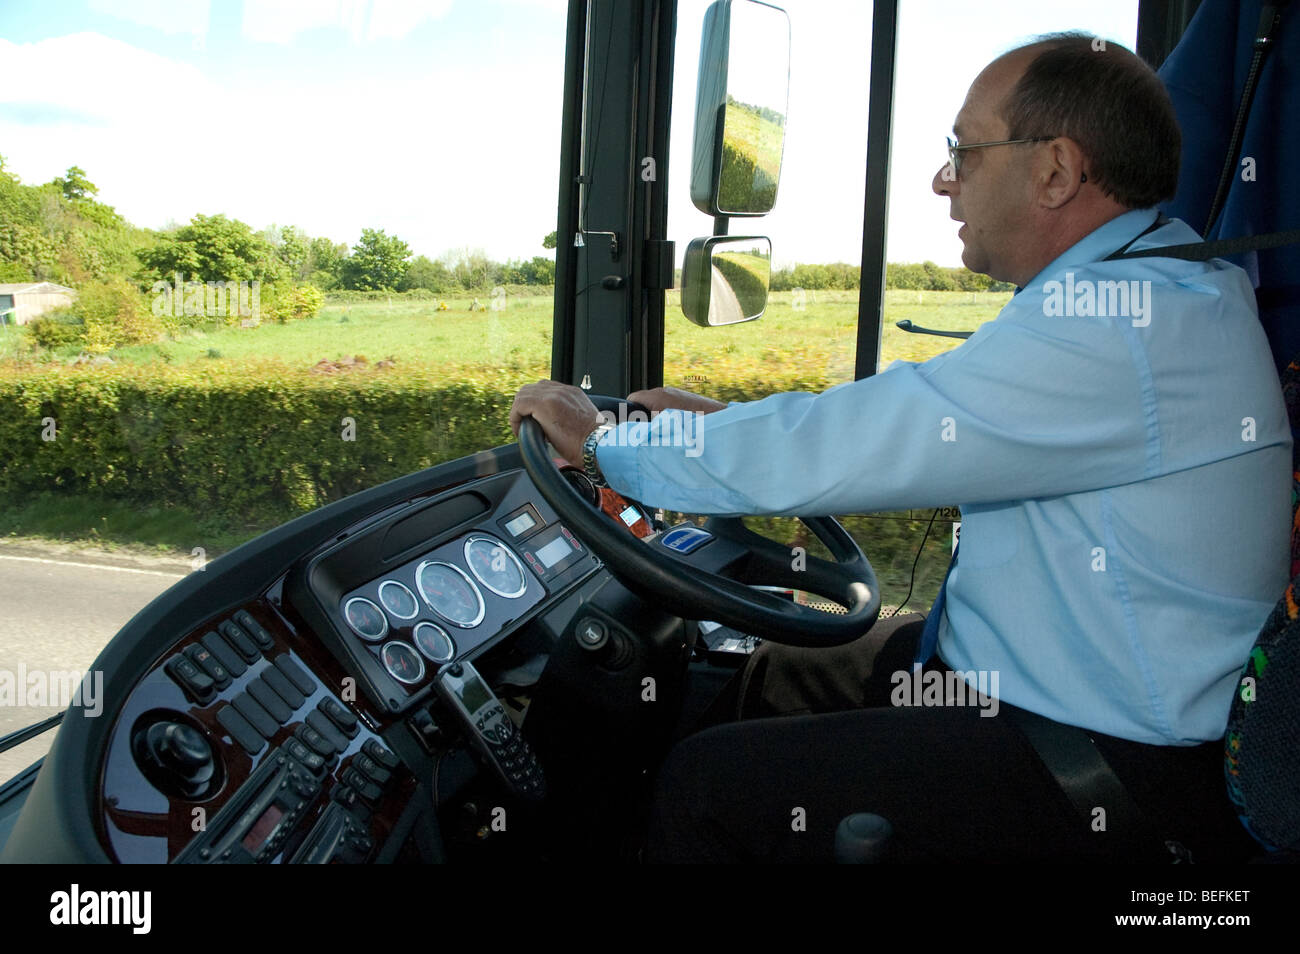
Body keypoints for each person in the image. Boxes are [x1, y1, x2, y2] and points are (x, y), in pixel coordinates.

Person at [509, 33, 1291, 862]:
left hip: (1103, 762)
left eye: (965, 151)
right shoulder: (1159, 285)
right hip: (1035, 680)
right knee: (781, 668)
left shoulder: (1117, 322)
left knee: (705, 790)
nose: (944, 178)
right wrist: (717, 429)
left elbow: (875, 433)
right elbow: (913, 425)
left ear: (1056, 172)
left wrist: (608, 450)